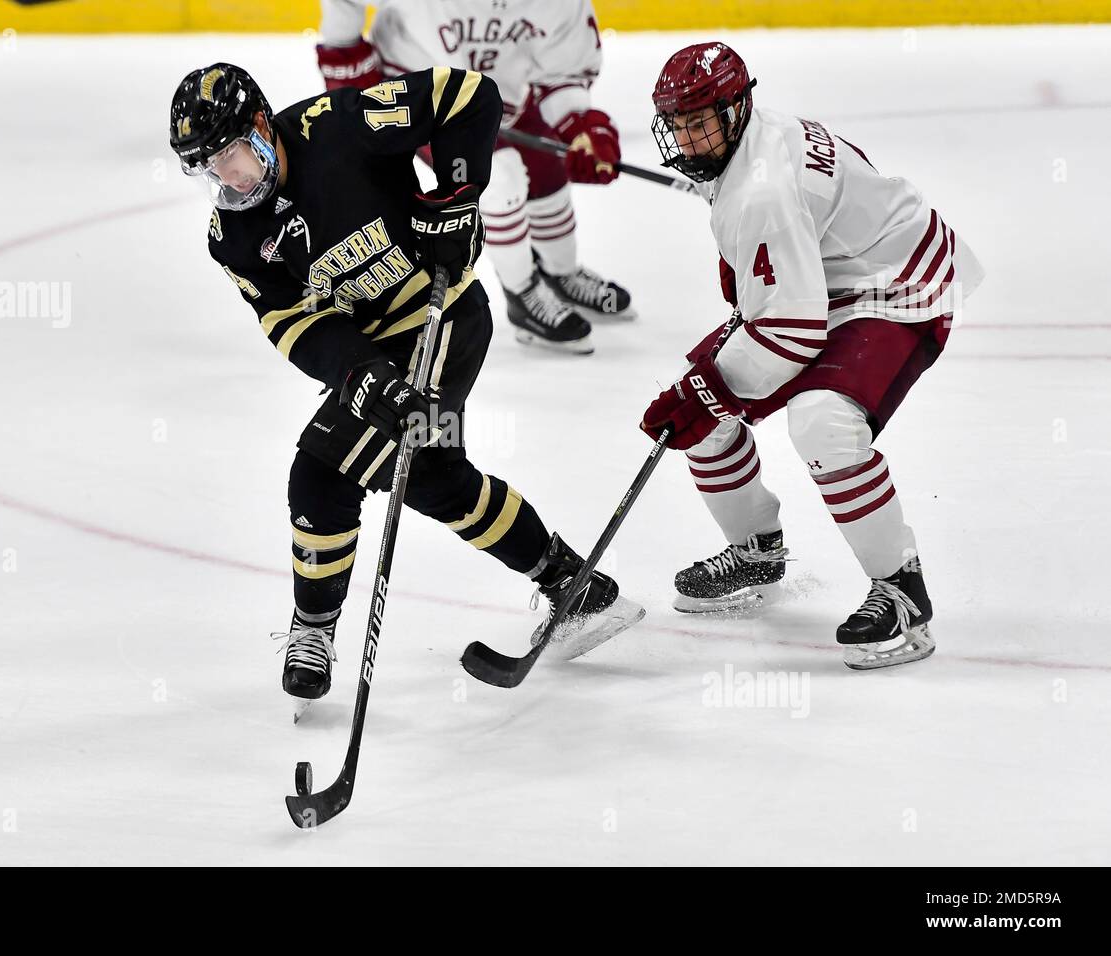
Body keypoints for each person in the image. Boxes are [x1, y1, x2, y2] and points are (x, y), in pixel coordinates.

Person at [168, 63, 642, 704]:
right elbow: (295, 328)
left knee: (323, 473)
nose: (226, 178)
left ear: (260, 126)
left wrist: (456, 197)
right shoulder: (234, 239)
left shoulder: (337, 125)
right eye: (208, 169)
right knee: (435, 478)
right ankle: (572, 583)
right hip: (378, 356)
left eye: (229, 155)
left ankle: (314, 626)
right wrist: (366, 381)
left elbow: (467, 96)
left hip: (441, 322)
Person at [639, 43, 984, 670]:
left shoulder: (761, 191)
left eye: (701, 123)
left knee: (821, 421)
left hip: (898, 287)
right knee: (702, 409)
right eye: (680, 126)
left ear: (737, 108)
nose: (689, 141)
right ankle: (757, 554)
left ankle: (903, 593)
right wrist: (709, 391)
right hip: (830, 281)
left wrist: (712, 389)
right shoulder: (757, 141)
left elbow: (792, 331)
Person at [315, 0, 636, 354]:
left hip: (502, 97)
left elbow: (563, 71)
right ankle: (522, 291)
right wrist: (347, 62)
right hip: (423, 96)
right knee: (499, 177)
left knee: (547, 165)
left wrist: (579, 125)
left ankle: (561, 272)